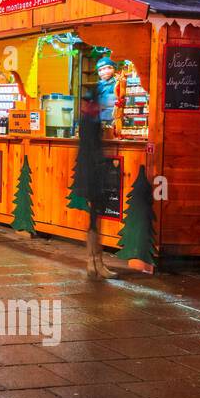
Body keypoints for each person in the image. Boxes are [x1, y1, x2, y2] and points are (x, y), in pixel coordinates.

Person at [72, 90, 115, 279]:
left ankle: (94, 263)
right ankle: (96, 263)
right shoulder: (91, 121)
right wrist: (105, 166)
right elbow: (93, 149)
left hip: (87, 173)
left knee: (93, 219)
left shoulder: (86, 120)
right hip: (93, 175)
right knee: (94, 219)